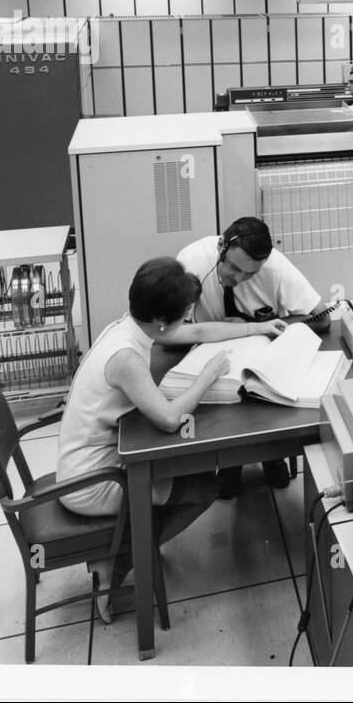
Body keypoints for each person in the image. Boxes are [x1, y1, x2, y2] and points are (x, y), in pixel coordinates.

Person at [56, 258, 231, 622]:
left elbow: (197, 334)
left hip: (89, 459)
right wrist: (208, 375)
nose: (189, 320)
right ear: (163, 321)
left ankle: (126, 546)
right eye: (186, 314)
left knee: (184, 471)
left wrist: (258, 328)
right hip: (91, 482)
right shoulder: (125, 357)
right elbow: (169, 420)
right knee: (203, 488)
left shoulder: (129, 326)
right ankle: (122, 560)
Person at [177, 217, 332, 496]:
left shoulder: (275, 268)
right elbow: (174, 330)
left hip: (261, 355)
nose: (238, 279)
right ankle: (228, 464)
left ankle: (271, 455)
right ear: (221, 247)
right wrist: (226, 330)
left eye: (250, 274)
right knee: (222, 400)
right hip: (211, 355)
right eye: (234, 268)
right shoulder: (192, 262)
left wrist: (271, 328)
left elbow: (320, 318)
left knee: (266, 392)